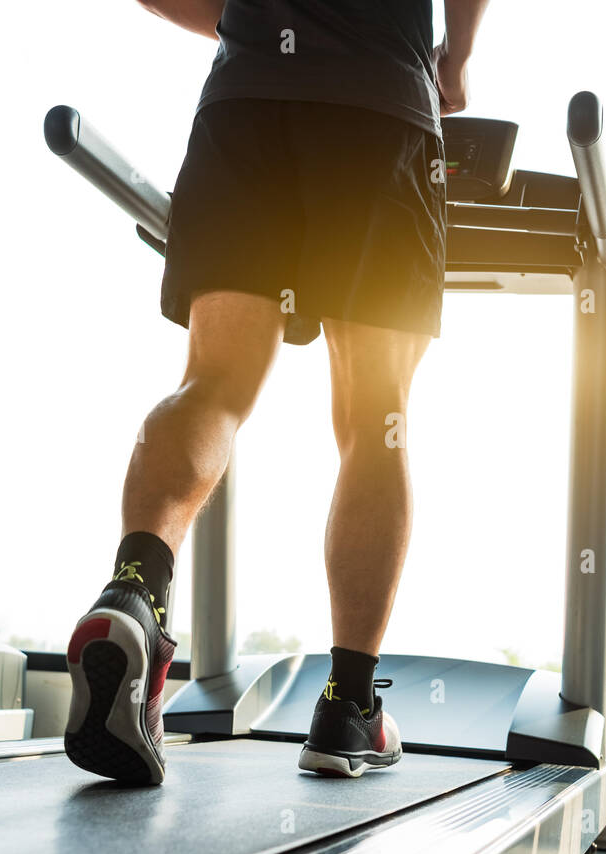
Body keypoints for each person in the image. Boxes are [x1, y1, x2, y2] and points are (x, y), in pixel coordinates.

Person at [63, 0, 490, 785]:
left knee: (213, 384)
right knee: (377, 417)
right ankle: (348, 703)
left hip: (245, 104)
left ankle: (134, 591)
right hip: (379, 102)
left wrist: (257, 20)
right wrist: (455, 55)